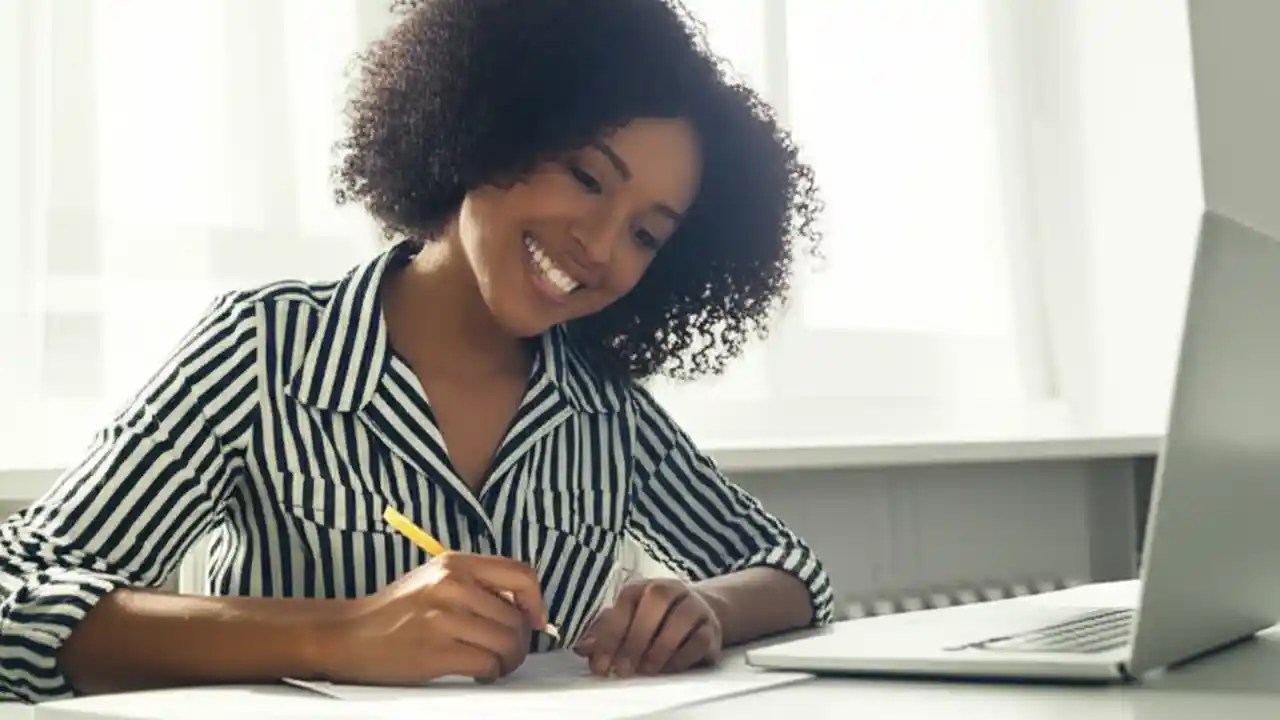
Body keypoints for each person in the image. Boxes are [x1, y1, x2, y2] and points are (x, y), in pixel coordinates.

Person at [0, 0, 832, 703]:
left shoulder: (606, 409)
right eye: (585, 177)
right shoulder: (264, 351)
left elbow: (790, 571)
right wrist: (340, 633)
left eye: (647, 234)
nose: (601, 248)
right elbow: (14, 600)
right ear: (490, 124)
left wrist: (706, 608)